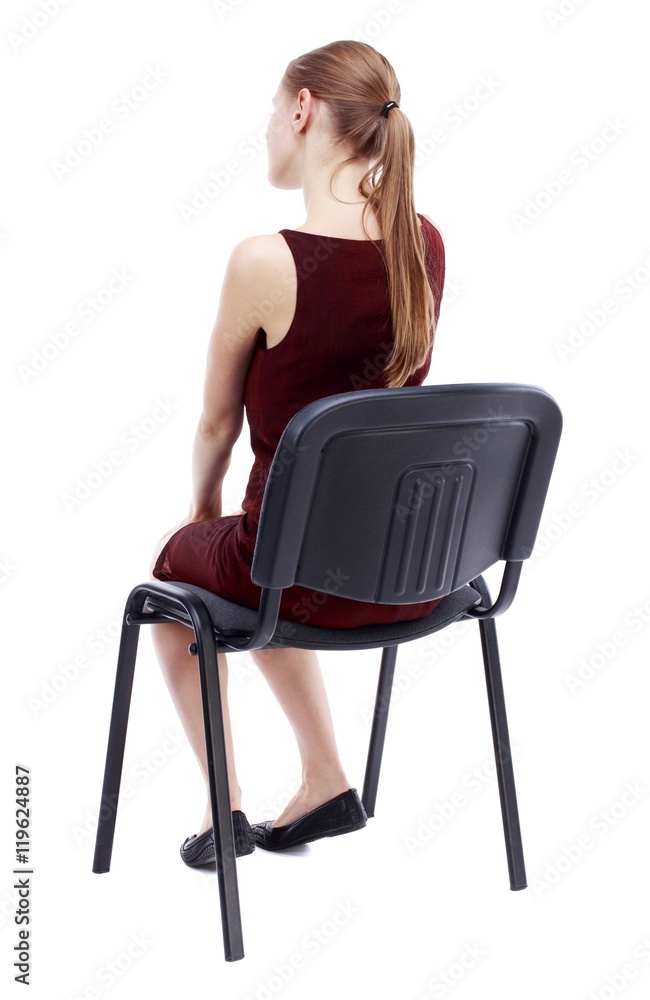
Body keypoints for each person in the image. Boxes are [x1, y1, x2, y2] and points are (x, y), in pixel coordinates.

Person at [148, 40, 446, 867]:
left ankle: (224, 810)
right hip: (407, 577)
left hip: (294, 574)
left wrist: (201, 518)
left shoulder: (264, 260)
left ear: (304, 110)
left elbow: (216, 426)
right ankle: (324, 779)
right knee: (273, 550)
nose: (270, 130)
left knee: (179, 576)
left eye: (274, 113)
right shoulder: (423, 246)